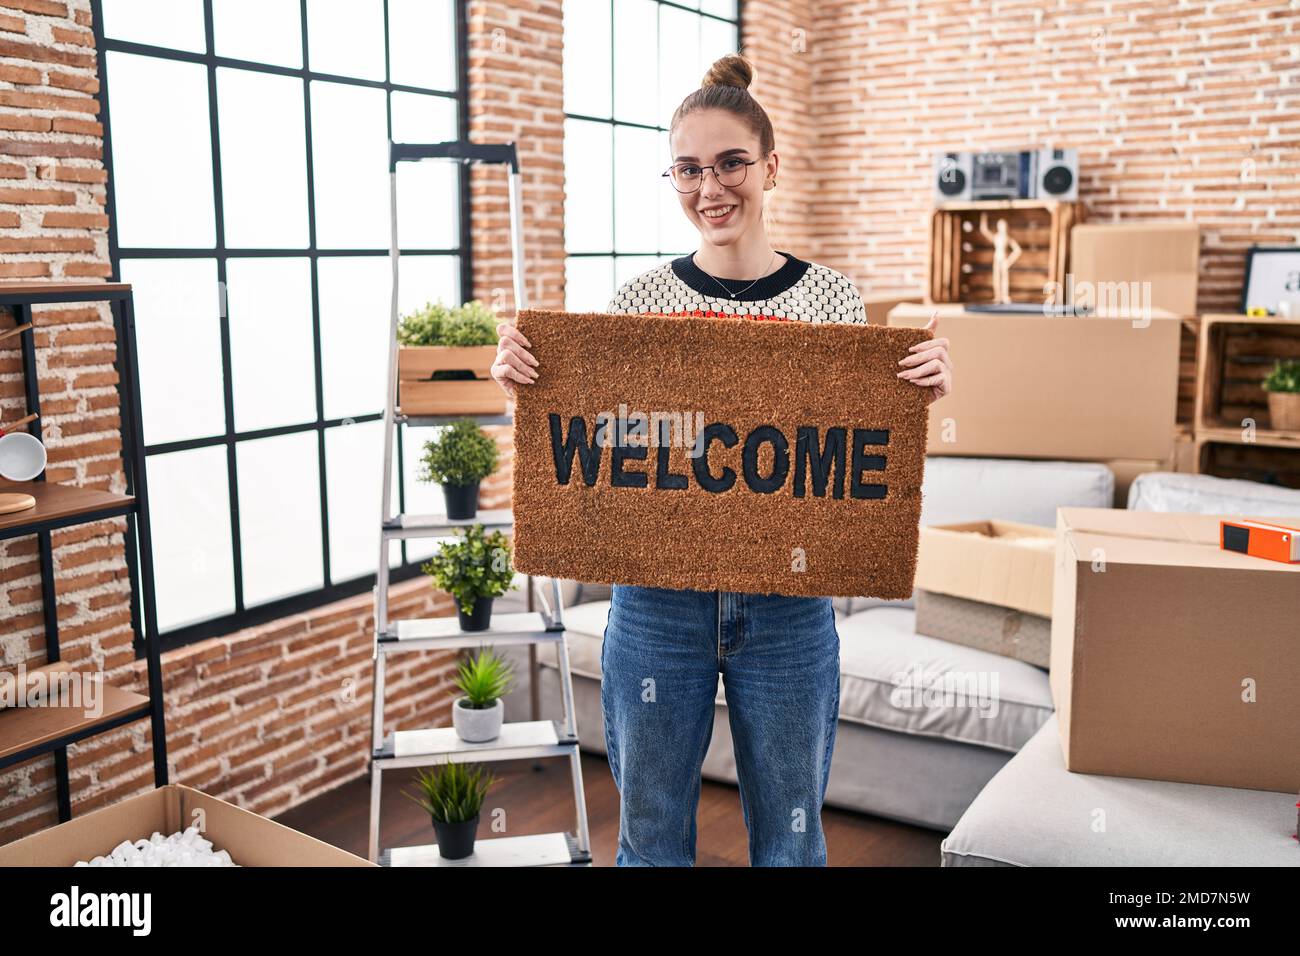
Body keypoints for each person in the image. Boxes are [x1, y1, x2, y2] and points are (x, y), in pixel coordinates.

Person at [491, 53, 952, 866]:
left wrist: (920, 388)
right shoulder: (637, 300)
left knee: (791, 844)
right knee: (651, 839)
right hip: (657, 607)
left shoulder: (834, 301)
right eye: (689, 169)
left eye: (732, 162)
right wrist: (525, 384)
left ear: (770, 167)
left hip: (788, 609)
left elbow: (855, 449)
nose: (712, 188)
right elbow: (605, 440)